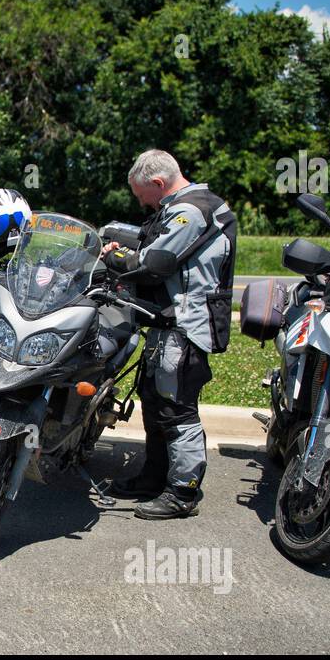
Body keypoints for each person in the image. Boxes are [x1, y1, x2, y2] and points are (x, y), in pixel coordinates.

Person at [101, 149, 237, 519]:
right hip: (167, 324)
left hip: (185, 326)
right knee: (155, 400)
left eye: (141, 194)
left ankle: (183, 493)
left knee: (176, 409)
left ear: (158, 184)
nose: (141, 202)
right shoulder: (184, 206)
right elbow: (150, 239)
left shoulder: (189, 212)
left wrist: (112, 260)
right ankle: (154, 476)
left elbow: (151, 263)